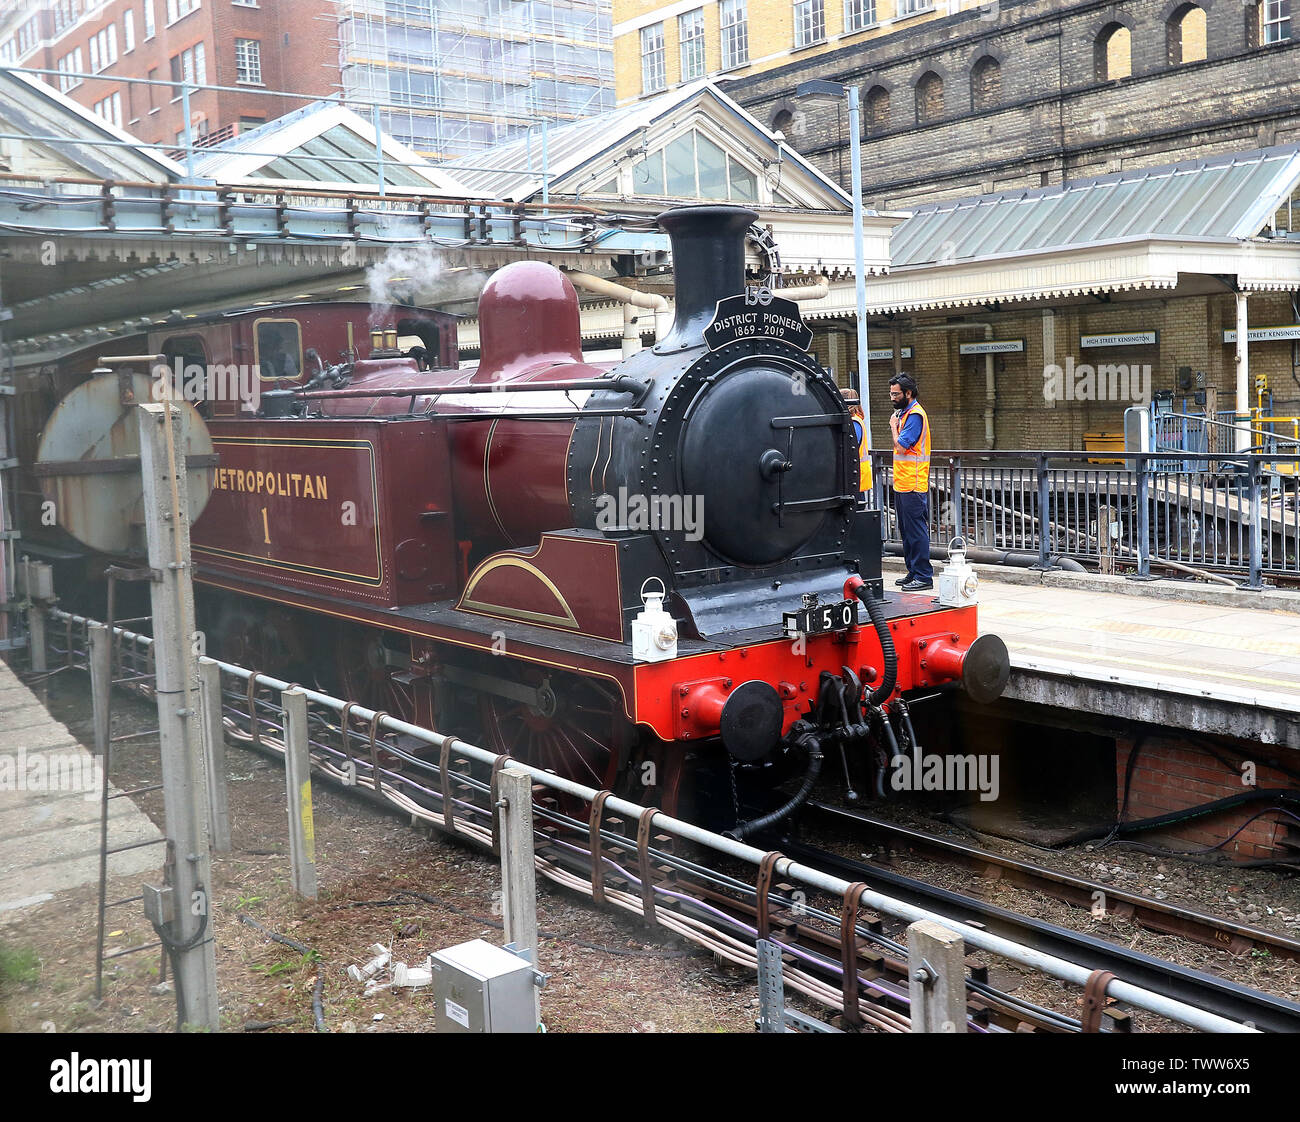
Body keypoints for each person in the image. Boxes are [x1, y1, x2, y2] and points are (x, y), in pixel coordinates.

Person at [888, 373, 933, 591]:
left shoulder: (914, 415)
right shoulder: (905, 413)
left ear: (908, 393)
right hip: (903, 482)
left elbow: (902, 447)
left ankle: (924, 576)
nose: (892, 397)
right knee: (906, 531)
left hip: (913, 483)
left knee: (915, 531)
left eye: (895, 394)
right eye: (891, 393)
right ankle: (913, 571)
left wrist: (893, 427)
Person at [841, 386, 872, 497]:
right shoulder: (856, 421)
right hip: (857, 477)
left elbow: (850, 446)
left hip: (855, 477)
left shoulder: (854, 423)